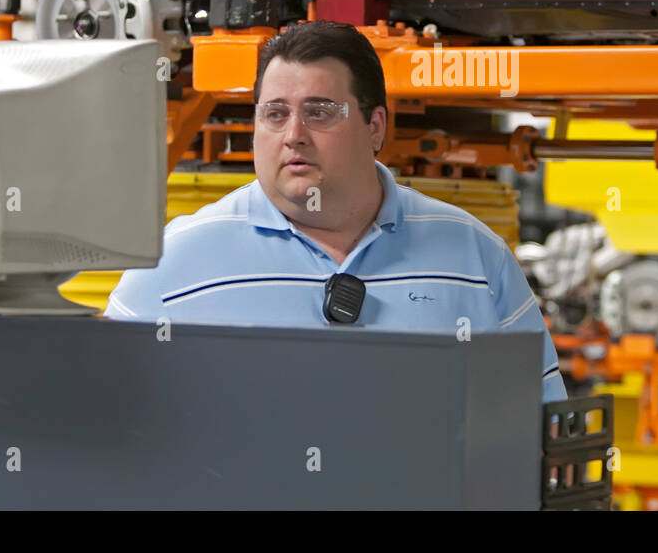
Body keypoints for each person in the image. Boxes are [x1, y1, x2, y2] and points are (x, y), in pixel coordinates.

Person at [105, 20, 566, 403]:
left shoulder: (474, 256)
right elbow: (105, 442)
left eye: (320, 112)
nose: (294, 134)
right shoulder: (170, 267)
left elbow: (541, 438)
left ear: (375, 126)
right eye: (274, 113)